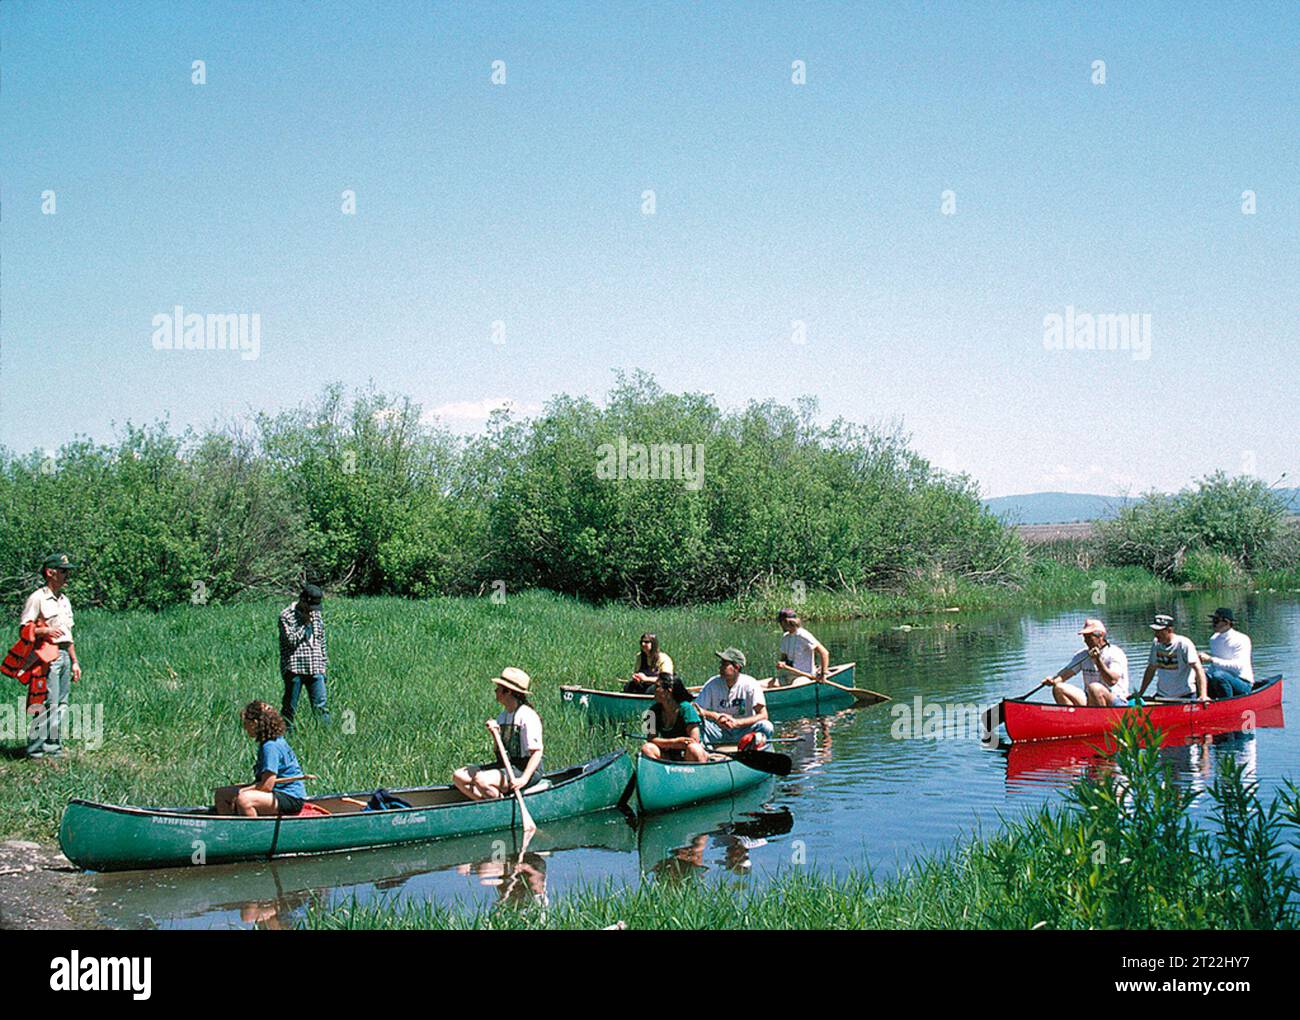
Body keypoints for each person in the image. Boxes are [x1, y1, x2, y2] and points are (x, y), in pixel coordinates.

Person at [21, 553, 83, 759]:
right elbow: (24, 629)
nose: (68, 576)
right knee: (48, 703)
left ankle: (52, 747)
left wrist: (74, 661)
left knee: (62, 704)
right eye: (64, 571)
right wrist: (44, 632)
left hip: (64, 654)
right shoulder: (37, 598)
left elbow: (68, 634)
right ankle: (36, 750)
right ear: (50, 572)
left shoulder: (64, 600)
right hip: (47, 656)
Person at [453, 668, 545, 800]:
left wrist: (523, 780)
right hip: (509, 764)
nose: (495, 691)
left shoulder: (527, 716)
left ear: (508, 692)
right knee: (459, 776)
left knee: (482, 780)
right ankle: (489, 802)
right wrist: (495, 734)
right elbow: (499, 754)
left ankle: (497, 806)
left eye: (498, 688)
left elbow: (537, 752)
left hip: (527, 769)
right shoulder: (502, 717)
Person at [215, 701, 307, 816]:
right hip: (275, 792)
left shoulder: (270, 747)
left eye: (246, 723)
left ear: (255, 723)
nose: (244, 727)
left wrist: (244, 791)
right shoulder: (269, 742)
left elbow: (267, 786)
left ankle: (254, 832)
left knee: (244, 800)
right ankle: (231, 830)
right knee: (221, 794)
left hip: (290, 796)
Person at [693, 648, 774, 747]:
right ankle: (707, 752)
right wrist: (716, 716)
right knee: (696, 723)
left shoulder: (750, 684)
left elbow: (763, 715)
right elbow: (695, 708)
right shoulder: (713, 683)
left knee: (766, 726)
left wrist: (737, 723)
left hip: (744, 731)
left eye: (724, 664)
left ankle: (753, 751)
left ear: (736, 667)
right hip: (719, 732)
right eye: (721, 664)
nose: (720, 667)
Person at [1042, 618, 1130, 707]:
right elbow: (1064, 675)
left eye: (1089, 637)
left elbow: (1112, 681)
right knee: (1059, 688)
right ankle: (1074, 719)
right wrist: (1052, 681)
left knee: (1094, 688)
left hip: (1117, 701)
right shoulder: (1083, 655)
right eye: (1084, 637)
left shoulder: (1115, 653)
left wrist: (1098, 661)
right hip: (1091, 698)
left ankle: (1101, 719)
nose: (1085, 641)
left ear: (1101, 636)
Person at [278, 584, 330, 729]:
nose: (312, 611)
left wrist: (323, 666)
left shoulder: (316, 614)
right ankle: (286, 738)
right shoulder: (286, 616)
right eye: (310, 606)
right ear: (303, 600)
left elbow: (321, 641)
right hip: (295, 668)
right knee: (290, 707)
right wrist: (305, 625)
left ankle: (325, 736)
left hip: (315, 667)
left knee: (321, 706)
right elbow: (291, 641)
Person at [1137, 613, 1209, 702]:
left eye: (1159, 631)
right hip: (1162, 695)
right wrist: (1141, 693)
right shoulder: (1156, 643)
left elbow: (1198, 669)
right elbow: (1151, 669)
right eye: (1155, 631)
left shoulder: (1184, 644)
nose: (1156, 634)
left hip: (1185, 696)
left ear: (1169, 630)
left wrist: (1203, 695)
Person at [639, 674, 708, 762]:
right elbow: (651, 739)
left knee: (694, 748)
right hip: (669, 753)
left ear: (668, 691)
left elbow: (694, 740)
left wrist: (666, 743)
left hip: (688, 754)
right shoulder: (653, 711)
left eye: (657, 687)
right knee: (647, 748)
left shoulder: (686, 708)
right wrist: (675, 742)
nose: (653, 690)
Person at [1198, 607, 1254, 699]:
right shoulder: (1214, 639)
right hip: (1221, 679)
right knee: (1200, 675)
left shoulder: (1241, 639)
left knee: (1219, 675)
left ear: (1226, 622)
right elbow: (1214, 667)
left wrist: (1211, 659)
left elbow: (1238, 667)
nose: (1213, 623)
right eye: (1213, 620)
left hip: (1243, 683)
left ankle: (1227, 704)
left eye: (1216, 620)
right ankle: (1204, 700)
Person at [775, 609, 829, 686]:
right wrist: (781, 663)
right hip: (788, 676)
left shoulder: (803, 635)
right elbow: (784, 659)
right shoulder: (785, 637)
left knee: (794, 686)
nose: (780, 625)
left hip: (804, 677)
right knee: (761, 685)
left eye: (780, 622)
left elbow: (824, 653)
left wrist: (823, 674)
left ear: (786, 622)